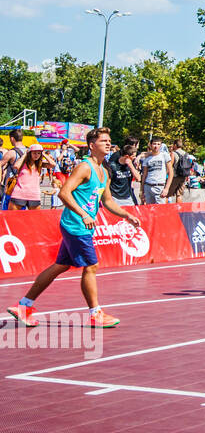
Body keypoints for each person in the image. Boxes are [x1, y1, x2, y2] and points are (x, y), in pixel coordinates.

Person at [7, 127, 141, 330]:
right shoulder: (84, 167)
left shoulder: (104, 172)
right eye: (103, 140)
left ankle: (23, 306)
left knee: (60, 265)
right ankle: (95, 313)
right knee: (91, 266)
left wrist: (127, 215)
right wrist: (84, 214)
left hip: (83, 225)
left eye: (109, 140)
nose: (108, 143)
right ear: (91, 146)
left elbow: (108, 201)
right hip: (75, 224)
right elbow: (64, 193)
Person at [6, 144, 47, 210]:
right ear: (30, 153)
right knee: (12, 217)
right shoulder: (23, 163)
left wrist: (44, 154)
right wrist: (25, 154)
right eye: (34, 153)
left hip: (34, 195)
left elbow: (53, 164)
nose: (36, 155)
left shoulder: (39, 164)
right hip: (19, 194)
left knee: (34, 218)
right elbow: (16, 166)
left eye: (39, 153)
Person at [105, 136, 140, 207]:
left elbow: (138, 178)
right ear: (127, 156)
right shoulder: (113, 164)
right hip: (115, 197)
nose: (135, 158)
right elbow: (107, 182)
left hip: (128, 196)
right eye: (133, 156)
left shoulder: (130, 164)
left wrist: (131, 165)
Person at [138, 137, 171, 205]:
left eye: (158, 144)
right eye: (154, 144)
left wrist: (166, 188)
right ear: (150, 145)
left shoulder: (164, 155)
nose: (156, 146)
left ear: (161, 146)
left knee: (160, 210)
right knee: (149, 210)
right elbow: (144, 175)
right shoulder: (147, 158)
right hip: (148, 186)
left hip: (159, 186)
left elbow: (171, 172)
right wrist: (142, 190)